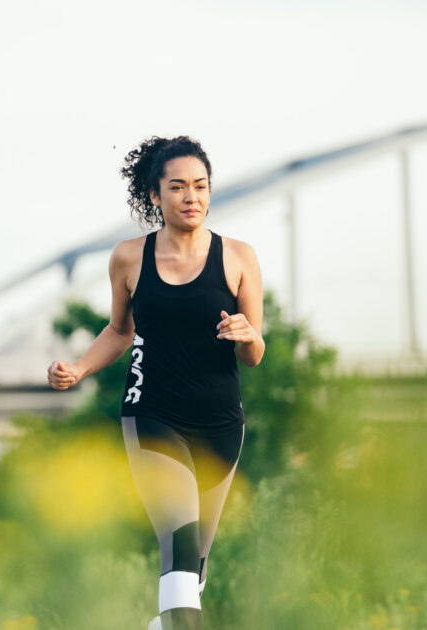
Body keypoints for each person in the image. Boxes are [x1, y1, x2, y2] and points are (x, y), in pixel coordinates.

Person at [47, 135, 265, 630]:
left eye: (201, 186)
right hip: (152, 416)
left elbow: (254, 355)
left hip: (220, 424)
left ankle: (160, 626)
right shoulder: (128, 258)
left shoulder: (238, 257)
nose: (192, 197)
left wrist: (248, 334)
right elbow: (120, 331)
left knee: (196, 566)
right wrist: (79, 368)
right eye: (178, 187)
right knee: (179, 546)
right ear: (154, 195)